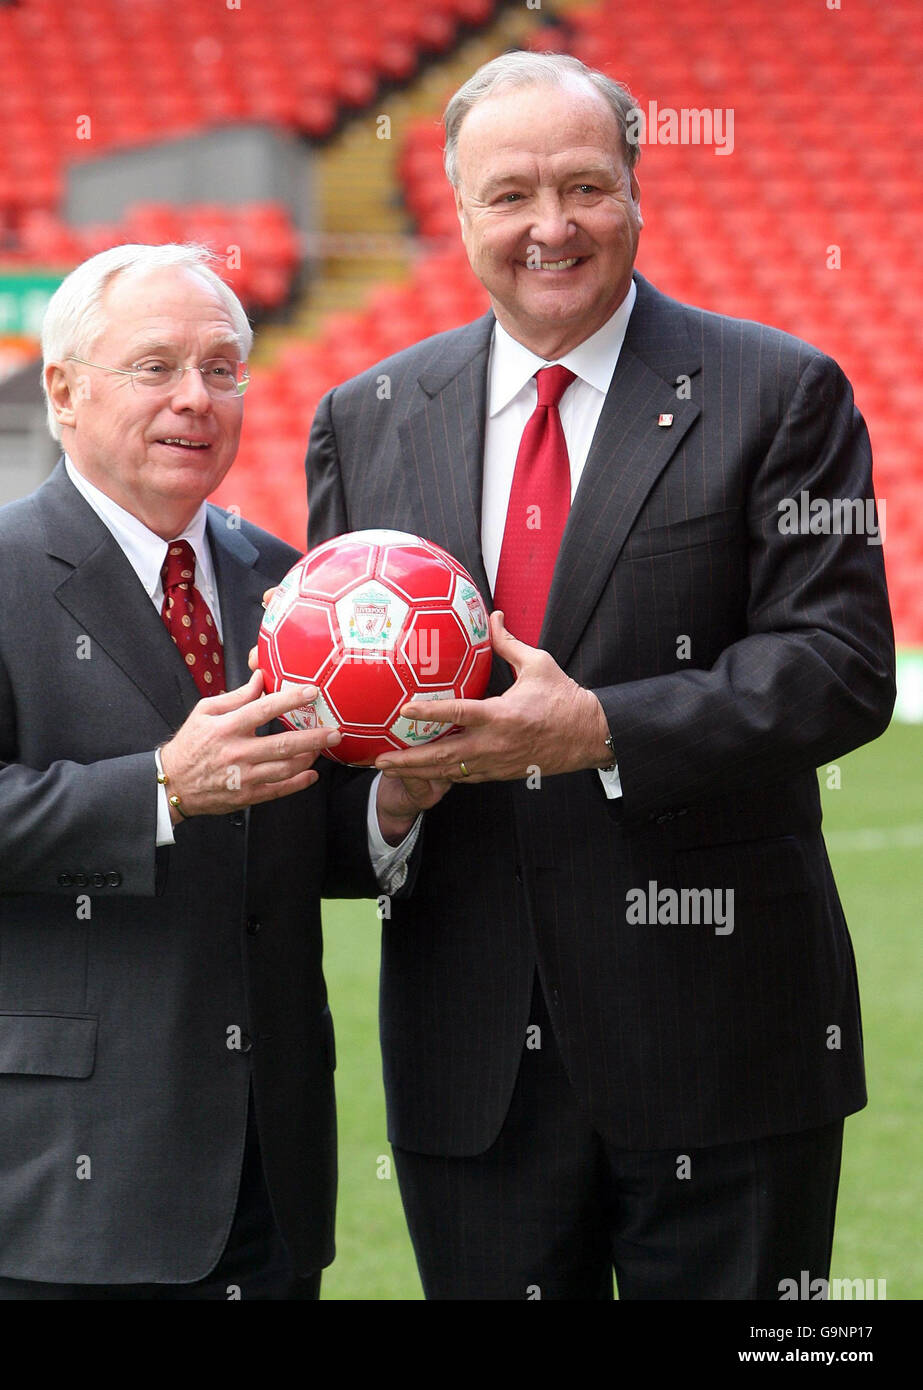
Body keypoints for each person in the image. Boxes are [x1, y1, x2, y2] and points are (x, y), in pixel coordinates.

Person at [304, 53, 896, 1299]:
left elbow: (840, 668)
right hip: (470, 1061)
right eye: (508, 194)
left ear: (637, 191)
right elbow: (336, 722)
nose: (550, 226)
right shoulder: (366, 415)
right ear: (457, 212)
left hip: (724, 1043)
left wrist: (597, 730)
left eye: (585, 186)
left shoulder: (779, 390)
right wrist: (384, 804)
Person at [0, 243, 434, 1300]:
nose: (195, 398)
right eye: (155, 366)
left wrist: (391, 804)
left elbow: (281, 835)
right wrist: (160, 787)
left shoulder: (282, 580)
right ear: (63, 391)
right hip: (42, 1189)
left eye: (221, 368)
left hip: (265, 1181)